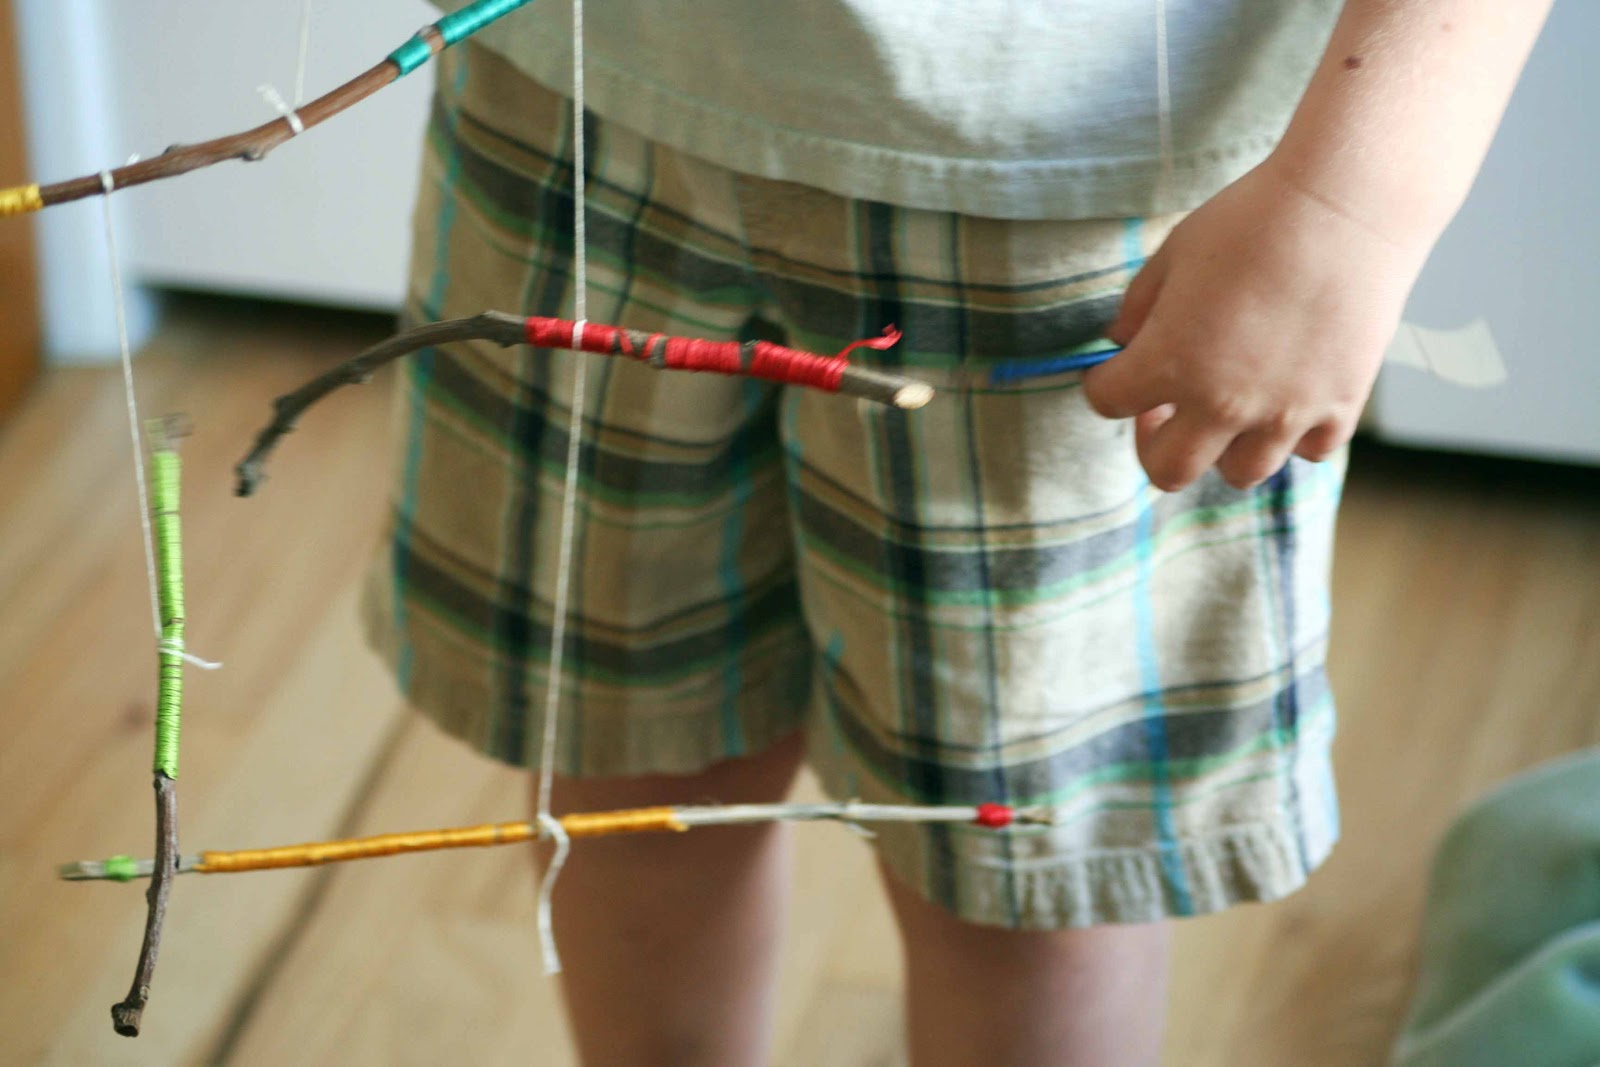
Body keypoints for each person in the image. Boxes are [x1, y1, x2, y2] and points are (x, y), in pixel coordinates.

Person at [360, 3, 1552, 1064]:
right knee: (618, 755)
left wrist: (1347, 203)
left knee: (1024, 881)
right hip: (565, 84)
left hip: (1070, 184)